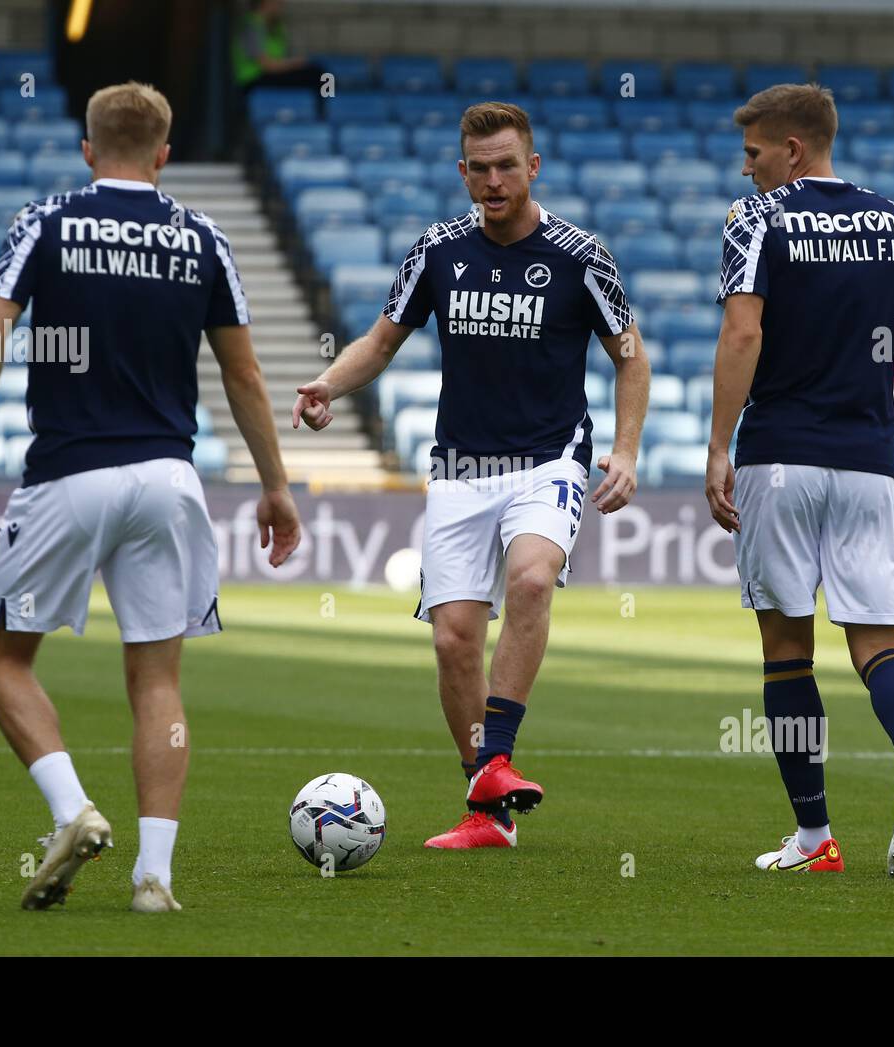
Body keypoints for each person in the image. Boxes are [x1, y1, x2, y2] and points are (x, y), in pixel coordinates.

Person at [0, 81, 301, 912]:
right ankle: (154, 879)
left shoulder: (48, 221)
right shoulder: (203, 236)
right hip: (170, 482)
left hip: (69, 472)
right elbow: (242, 372)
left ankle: (74, 812)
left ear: (90, 149)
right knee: (157, 680)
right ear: (165, 154)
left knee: (1, 658)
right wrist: (275, 484)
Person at [293, 102, 650, 850]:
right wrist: (328, 383)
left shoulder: (582, 256)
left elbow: (630, 355)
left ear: (533, 168)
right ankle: (487, 809)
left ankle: (496, 762)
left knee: (528, 581)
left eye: (506, 166)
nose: (492, 181)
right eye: (479, 169)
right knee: (455, 640)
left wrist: (628, 446)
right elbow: (381, 339)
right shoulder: (437, 251)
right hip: (459, 467)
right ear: (462, 173)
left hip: (549, 459)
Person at [704, 83, 894, 877]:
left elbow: (743, 332)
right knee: (879, 642)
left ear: (792, 149)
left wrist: (716, 447)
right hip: (870, 462)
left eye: (754, 153)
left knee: (787, 651)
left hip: (780, 455)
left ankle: (814, 837)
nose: (747, 171)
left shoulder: (757, 221)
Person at [233, 0, 325, 94]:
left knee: (318, 72)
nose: (281, 5)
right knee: (315, 75)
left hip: (272, 75)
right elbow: (268, 65)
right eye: (278, 2)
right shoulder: (251, 25)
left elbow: (284, 56)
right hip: (253, 79)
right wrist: (296, 63)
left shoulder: (276, 26)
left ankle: (331, 102)